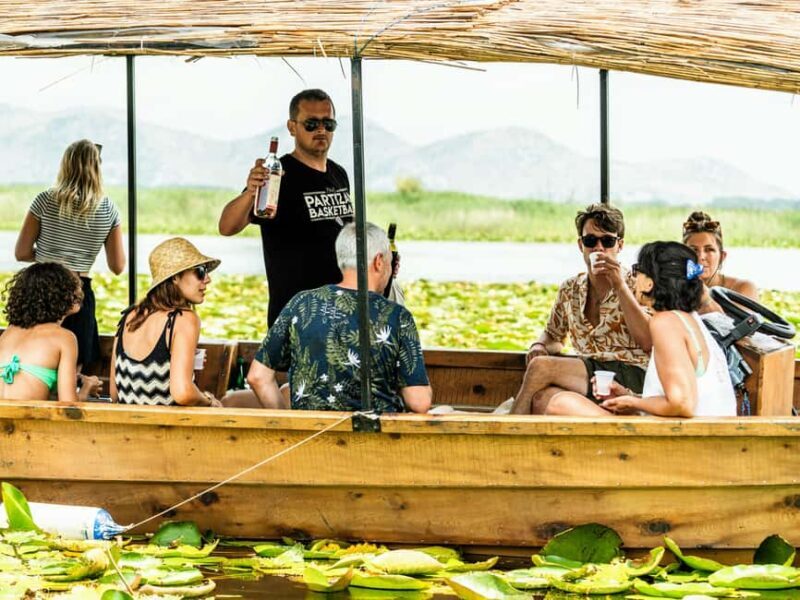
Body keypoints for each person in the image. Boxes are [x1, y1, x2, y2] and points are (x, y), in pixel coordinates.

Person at [245, 222, 432, 413]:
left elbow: (258, 377)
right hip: (374, 439)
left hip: (309, 438)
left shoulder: (301, 304)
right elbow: (419, 402)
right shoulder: (396, 316)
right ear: (378, 262)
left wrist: (287, 421)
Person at [545, 242, 736, 417]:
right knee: (560, 401)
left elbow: (682, 404)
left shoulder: (665, 323)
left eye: (637, 271)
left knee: (560, 404)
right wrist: (629, 397)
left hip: (686, 444)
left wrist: (633, 401)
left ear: (650, 283)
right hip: (699, 435)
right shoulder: (688, 319)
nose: (633, 277)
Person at [218, 89, 354, 327]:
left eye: (328, 123)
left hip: (340, 311)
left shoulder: (338, 173)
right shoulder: (278, 175)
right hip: (296, 316)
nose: (321, 130)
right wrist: (252, 191)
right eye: (311, 124)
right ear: (292, 127)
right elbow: (227, 226)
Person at [510, 203, 651, 415]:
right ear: (580, 245)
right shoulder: (570, 289)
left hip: (631, 374)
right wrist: (539, 344)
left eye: (608, 241)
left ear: (619, 245)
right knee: (542, 400)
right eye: (591, 241)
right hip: (590, 376)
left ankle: (508, 431)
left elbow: (648, 340)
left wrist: (619, 286)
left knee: (540, 367)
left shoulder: (637, 285)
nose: (599, 248)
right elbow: (554, 335)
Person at [15, 139, 126, 370]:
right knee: (72, 367)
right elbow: (117, 266)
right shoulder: (108, 210)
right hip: (78, 290)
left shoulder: (45, 200)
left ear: (65, 165)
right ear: (98, 168)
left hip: (39, 288)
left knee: (30, 363)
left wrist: (50, 258)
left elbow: (22, 252)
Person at [110, 238, 222, 407]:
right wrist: (209, 401)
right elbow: (183, 392)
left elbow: (114, 392)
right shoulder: (183, 320)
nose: (207, 279)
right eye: (200, 271)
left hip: (125, 430)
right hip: (167, 431)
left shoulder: (129, 316)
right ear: (175, 277)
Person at [0, 263, 102, 401]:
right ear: (55, 295)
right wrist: (87, 387)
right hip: (31, 421)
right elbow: (68, 407)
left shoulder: (9, 333)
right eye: (72, 287)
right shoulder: (65, 338)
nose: (80, 291)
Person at [682, 211, 758, 313]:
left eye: (709, 250)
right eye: (694, 250)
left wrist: (705, 298)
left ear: (722, 256)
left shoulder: (743, 288)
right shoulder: (673, 289)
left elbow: (735, 325)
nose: (701, 257)